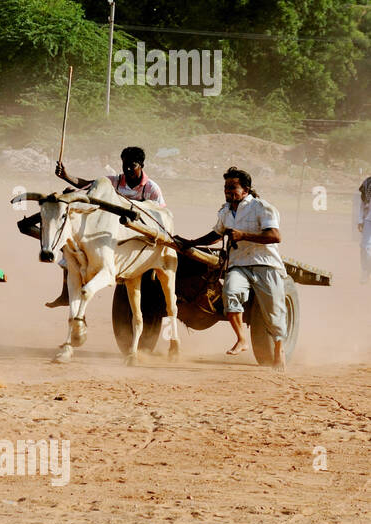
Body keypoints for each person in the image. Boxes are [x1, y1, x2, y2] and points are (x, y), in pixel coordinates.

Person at [175, 167, 287, 369]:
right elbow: (216, 234)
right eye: (226, 187)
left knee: (273, 311)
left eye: (232, 187)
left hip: (265, 264)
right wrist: (190, 243)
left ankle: (279, 348)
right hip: (238, 264)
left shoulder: (263, 208)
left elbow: (275, 236)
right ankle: (241, 340)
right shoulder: (225, 211)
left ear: (246, 189)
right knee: (230, 292)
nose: (228, 191)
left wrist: (243, 235)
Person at [45, 145, 166, 307]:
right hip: (109, 235)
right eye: (125, 165)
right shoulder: (114, 181)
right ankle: (66, 293)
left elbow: (161, 217)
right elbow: (89, 185)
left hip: (138, 240)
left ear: (142, 166)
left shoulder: (151, 189)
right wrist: (67, 177)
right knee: (72, 243)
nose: (128, 169)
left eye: (133, 165)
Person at [358, 177, 371, 285]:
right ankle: (365, 271)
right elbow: (362, 204)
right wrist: (360, 220)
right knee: (364, 247)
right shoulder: (367, 183)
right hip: (368, 219)